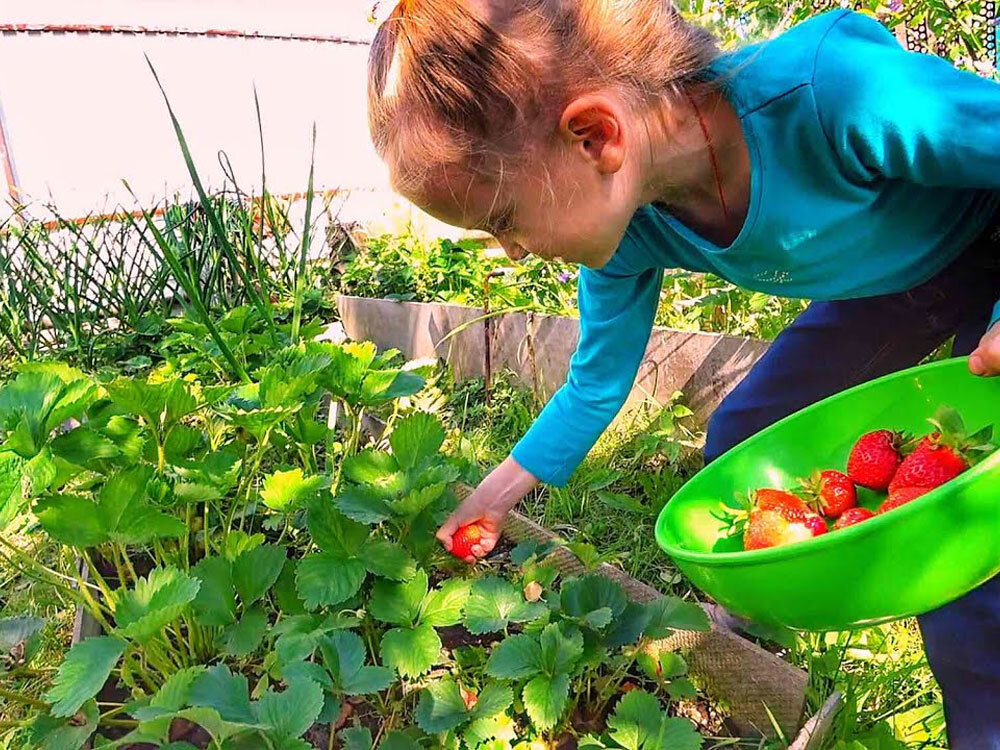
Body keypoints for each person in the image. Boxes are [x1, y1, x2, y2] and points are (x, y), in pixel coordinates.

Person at [366, 1, 1000, 744]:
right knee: (744, 432)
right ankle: (766, 615)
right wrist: (496, 495)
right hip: (897, 282)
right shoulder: (635, 219)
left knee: (967, 557)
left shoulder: (835, 92)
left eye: (504, 218)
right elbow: (597, 380)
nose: (509, 251)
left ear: (596, 136)